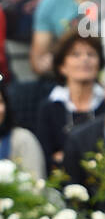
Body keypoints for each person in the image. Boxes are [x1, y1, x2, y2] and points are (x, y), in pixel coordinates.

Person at [36, 23, 105, 166]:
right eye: (76, 54)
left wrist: (66, 156)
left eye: (91, 54)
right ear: (62, 66)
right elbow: (46, 158)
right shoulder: (48, 108)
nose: (85, 59)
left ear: (99, 64)